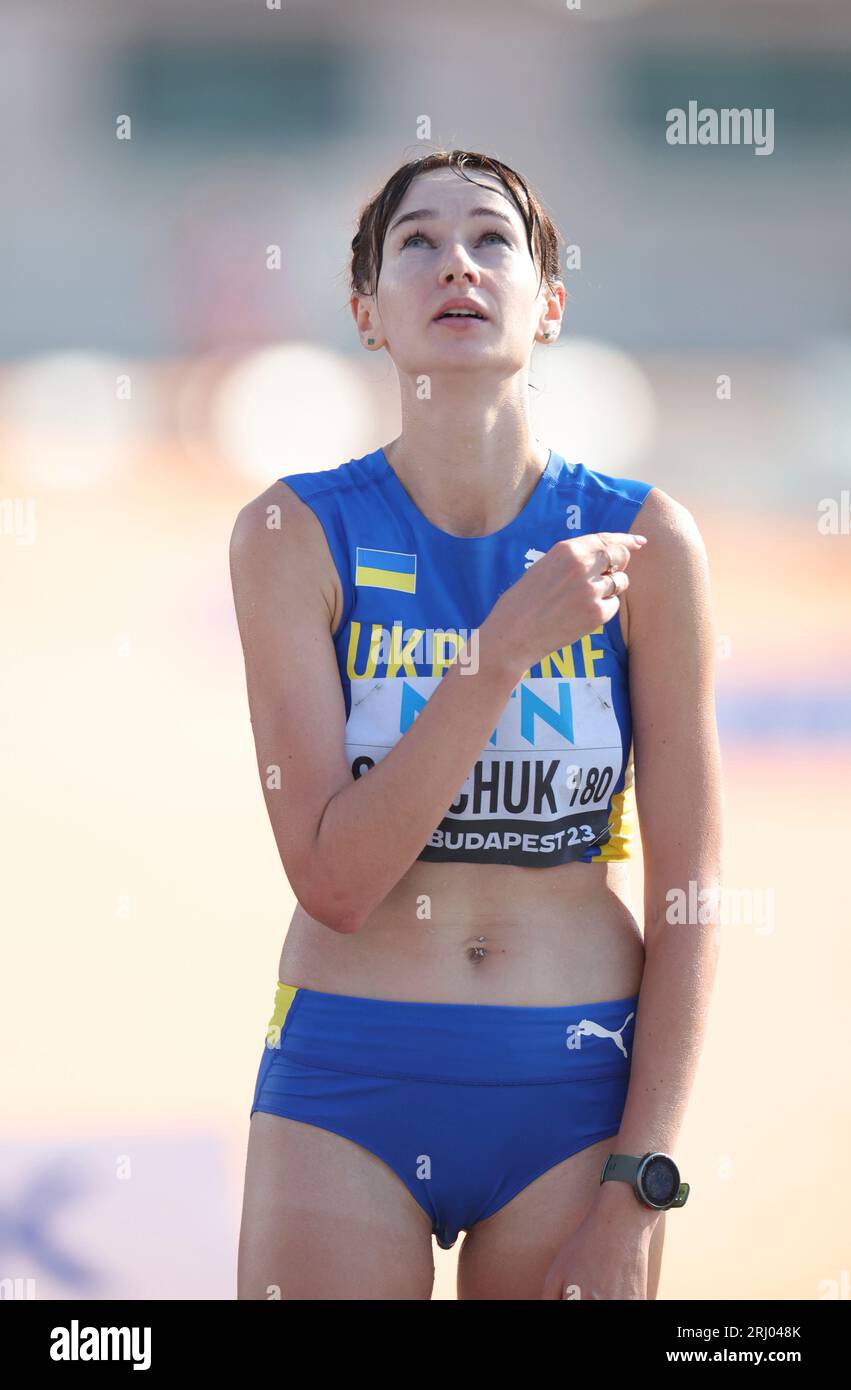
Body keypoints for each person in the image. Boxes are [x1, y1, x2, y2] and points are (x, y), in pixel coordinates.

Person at [231, 149, 722, 1301]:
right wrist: (499, 654)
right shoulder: (289, 533)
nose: (457, 260)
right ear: (366, 312)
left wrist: (639, 1177)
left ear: (548, 304)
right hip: (345, 1082)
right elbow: (335, 881)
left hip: (574, 1093)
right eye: (417, 242)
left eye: (492, 239)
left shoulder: (644, 543)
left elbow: (690, 890)